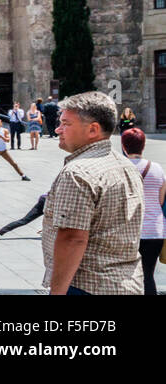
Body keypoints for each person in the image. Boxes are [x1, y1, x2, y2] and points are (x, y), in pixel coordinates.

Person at [43, 91, 144, 295]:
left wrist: (57, 292)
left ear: (93, 129)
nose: (57, 129)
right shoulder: (126, 166)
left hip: (87, 284)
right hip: (126, 284)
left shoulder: (77, 173)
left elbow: (72, 237)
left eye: (66, 124)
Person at [119, 127, 164, 296]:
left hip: (129, 230)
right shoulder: (157, 168)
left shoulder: (120, 168)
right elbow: (160, 200)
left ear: (124, 146)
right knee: (148, 276)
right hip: (155, 230)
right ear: (143, 146)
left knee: (127, 276)